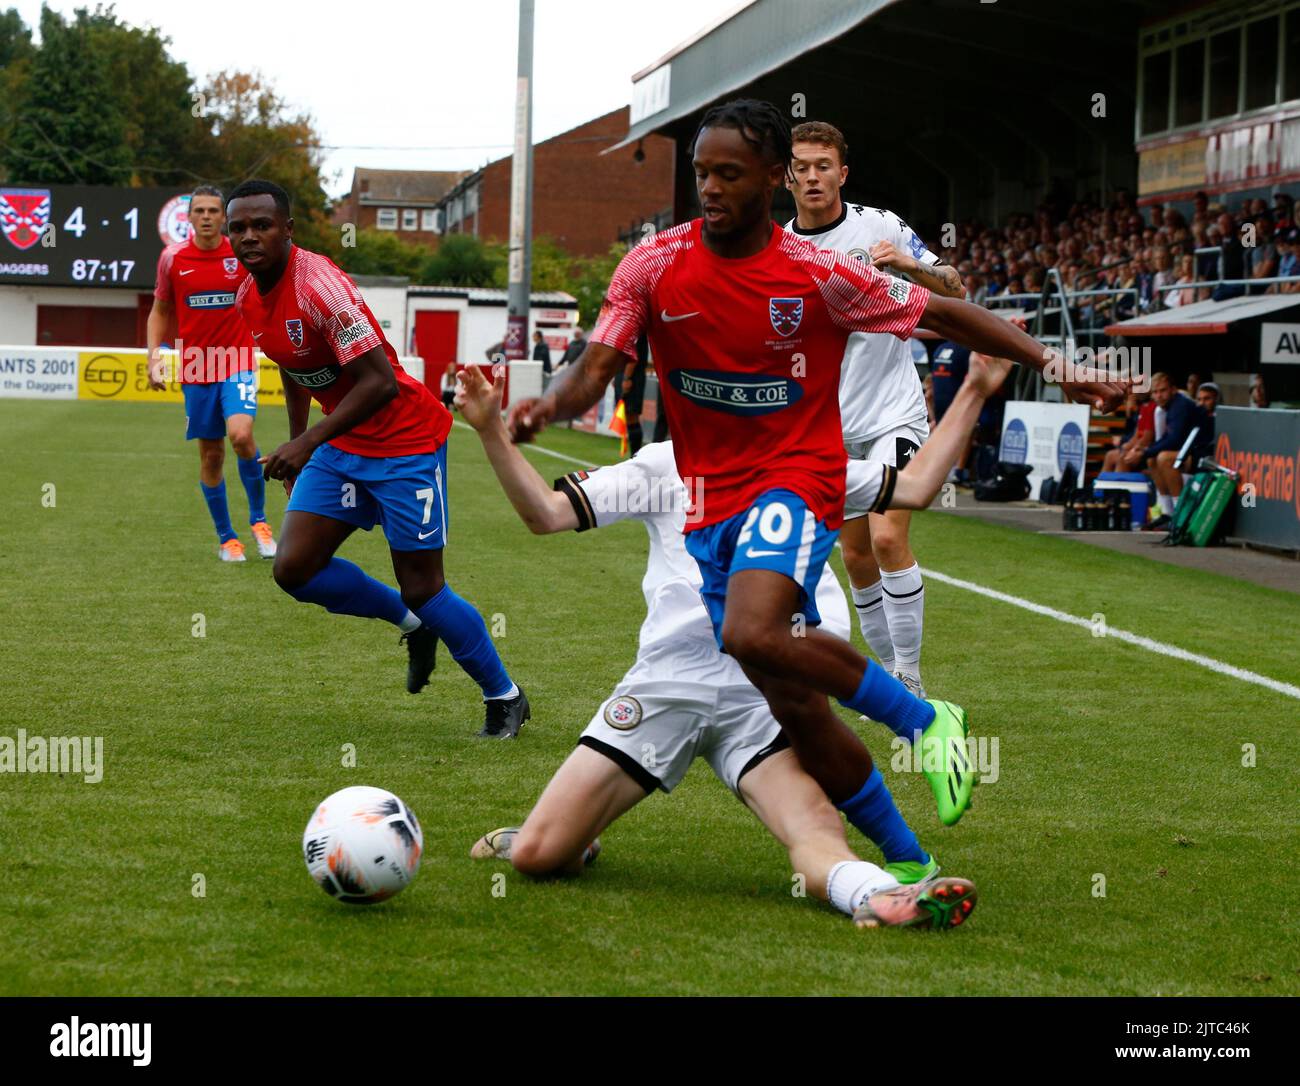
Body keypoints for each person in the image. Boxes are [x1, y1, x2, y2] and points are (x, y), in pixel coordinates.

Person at [507, 99, 1124, 835]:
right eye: (702, 172)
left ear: (770, 179)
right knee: (791, 695)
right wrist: (547, 404)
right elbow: (597, 366)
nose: (709, 188)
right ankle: (908, 859)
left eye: (728, 174)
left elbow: (948, 312)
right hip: (712, 497)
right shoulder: (653, 263)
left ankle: (923, 720)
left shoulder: (821, 272)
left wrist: (1054, 362)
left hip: (798, 473)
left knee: (757, 631)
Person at [456, 353, 1017, 927]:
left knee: (813, 831)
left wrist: (974, 387)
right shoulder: (661, 465)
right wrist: (491, 429)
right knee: (536, 855)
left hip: (764, 694)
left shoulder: (804, 463)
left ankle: (879, 895)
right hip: (668, 683)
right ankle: (578, 838)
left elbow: (919, 485)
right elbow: (547, 515)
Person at [225, 179, 528, 738]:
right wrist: (298, 446)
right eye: (238, 227)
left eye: (261, 225)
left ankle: (503, 694)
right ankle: (411, 625)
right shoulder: (247, 296)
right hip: (340, 446)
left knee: (425, 586)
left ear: (287, 230)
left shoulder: (321, 286)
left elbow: (382, 383)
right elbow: (294, 364)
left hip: (405, 442)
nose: (249, 236)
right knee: (294, 569)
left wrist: (308, 441)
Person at [784, 120, 966, 698]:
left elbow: (954, 286)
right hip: (827, 428)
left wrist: (911, 267)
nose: (813, 176)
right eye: (801, 167)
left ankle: (909, 679)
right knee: (856, 554)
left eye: (823, 165)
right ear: (786, 177)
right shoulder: (778, 250)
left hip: (893, 412)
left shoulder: (879, 227)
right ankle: (889, 673)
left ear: (843, 172)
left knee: (889, 540)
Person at [146, 185, 276, 563]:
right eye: (199, 210)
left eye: (213, 211)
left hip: (235, 360)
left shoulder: (241, 254)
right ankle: (226, 538)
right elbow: (160, 311)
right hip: (195, 366)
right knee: (212, 456)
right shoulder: (172, 258)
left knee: (241, 435)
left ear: (224, 217)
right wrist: (154, 357)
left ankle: (259, 521)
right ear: (189, 217)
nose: (206, 217)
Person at [1140, 372, 1208, 531]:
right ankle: (1167, 512)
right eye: (1155, 392)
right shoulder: (1164, 409)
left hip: (1203, 454)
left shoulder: (1180, 405)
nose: (1159, 396)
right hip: (1187, 452)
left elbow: (1174, 440)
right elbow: (1166, 439)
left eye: (1162, 390)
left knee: (1164, 458)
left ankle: (1180, 515)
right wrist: (1147, 451)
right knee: (1153, 459)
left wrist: (1144, 452)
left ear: (1173, 390)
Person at [620, 332, 649, 456]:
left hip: (633, 378)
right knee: (628, 415)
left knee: (631, 414)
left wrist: (626, 378)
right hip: (627, 375)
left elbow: (633, 358)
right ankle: (634, 455)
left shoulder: (636, 331)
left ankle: (636, 455)